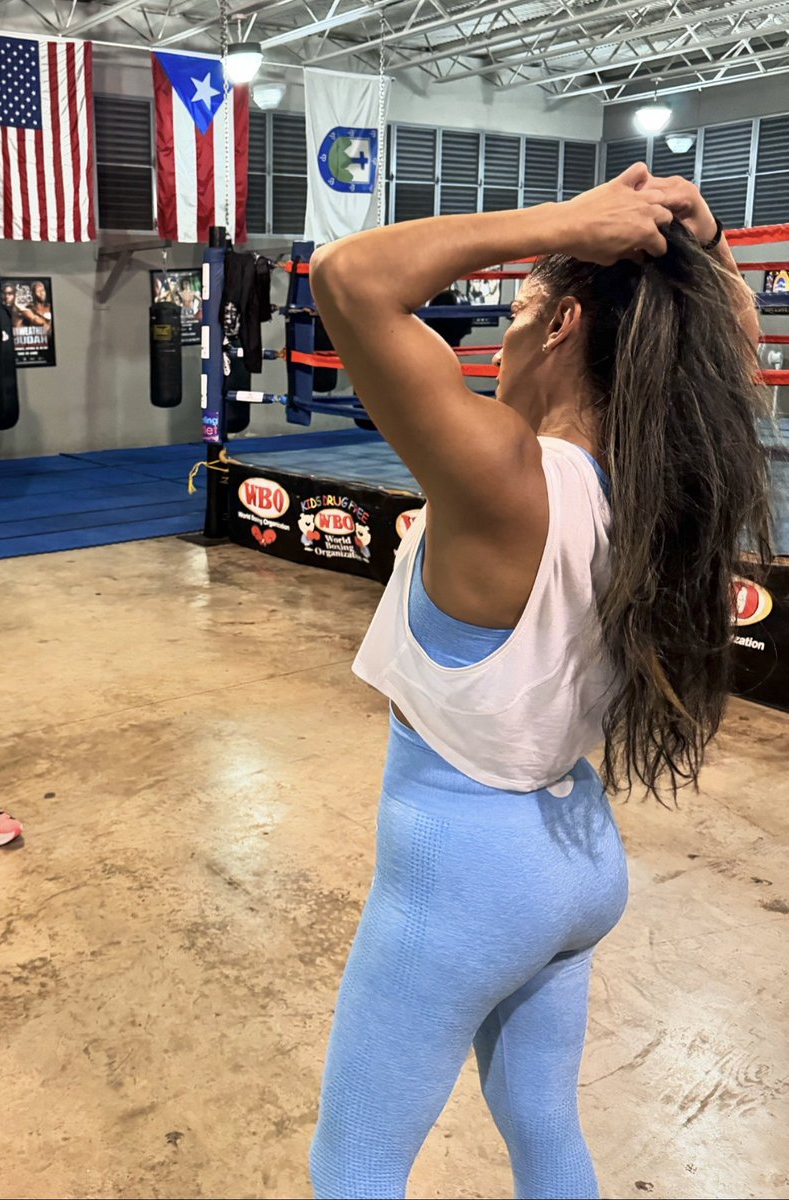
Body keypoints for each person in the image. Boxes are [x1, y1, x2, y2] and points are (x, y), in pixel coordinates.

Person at [306, 163, 771, 1200]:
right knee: (543, 1130)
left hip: (466, 878)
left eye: (516, 317)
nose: (498, 344)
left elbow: (347, 274)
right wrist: (701, 251)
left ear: (562, 324)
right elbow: (723, 338)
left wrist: (564, 221)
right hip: (575, 858)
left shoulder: (508, 477)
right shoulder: (662, 486)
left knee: (354, 1163)